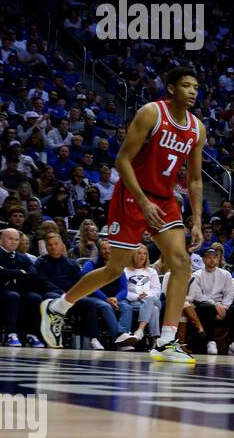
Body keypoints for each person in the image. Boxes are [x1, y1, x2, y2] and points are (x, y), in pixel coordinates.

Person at [39, 66, 205, 363]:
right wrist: (142, 201)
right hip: (132, 193)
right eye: (186, 85)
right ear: (170, 88)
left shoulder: (197, 129)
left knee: (181, 262)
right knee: (114, 269)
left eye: (195, 86)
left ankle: (166, 342)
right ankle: (58, 307)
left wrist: (198, 222)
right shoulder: (151, 114)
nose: (192, 91)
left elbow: (194, 179)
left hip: (165, 198)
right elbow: (122, 160)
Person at [0, 227, 45, 347]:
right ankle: (11, 334)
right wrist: (20, 272)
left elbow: (33, 273)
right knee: (13, 296)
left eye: (16, 239)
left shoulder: (23, 257)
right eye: (10, 239)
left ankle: (32, 334)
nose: (14, 242)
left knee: (35, 297)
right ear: (2, 239)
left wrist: (9, 272)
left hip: (20, 289)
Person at [121, 243, 162, 348]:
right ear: (133, 255)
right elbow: (124, 291)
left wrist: (146, 295)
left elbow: (157, 290)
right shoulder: (125, 271)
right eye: (139, 253)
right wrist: (137, 297)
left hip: (152, 299)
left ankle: (140, 330)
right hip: (135, 302)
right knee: (154, 310)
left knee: (150, 299)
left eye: (144, 253)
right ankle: (155, 342)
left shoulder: (151, 271)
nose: (142, 256)